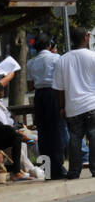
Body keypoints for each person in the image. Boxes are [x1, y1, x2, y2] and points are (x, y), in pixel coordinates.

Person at [54, 27, 95, 180]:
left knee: (75, 138)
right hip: (92, 104)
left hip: (72, 107)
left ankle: (74, 171)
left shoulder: (62, 60)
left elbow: (59, 88)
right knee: (94, 136)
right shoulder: (93, 56)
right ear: (86, 37)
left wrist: (62, 106)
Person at [28, 32, 67, 179]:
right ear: (49, 45)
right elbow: (62, 79)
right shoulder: (56, 58)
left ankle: (47, 169)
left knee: (43, 131)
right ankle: (59, 167)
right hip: (54, 93)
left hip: (39, 96)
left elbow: (30, 85)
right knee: (57, 131)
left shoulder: (31, 62)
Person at [0, 82, 43, 179]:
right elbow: (4, 125)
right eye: (2, 90)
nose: (3, 92)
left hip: (15, 129)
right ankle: (30, 169)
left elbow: (9, 120)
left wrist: (24, 127)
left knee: (38, 135)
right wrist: (19, 133)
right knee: (26, 141)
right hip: (7, 133)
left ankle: (35, 166)